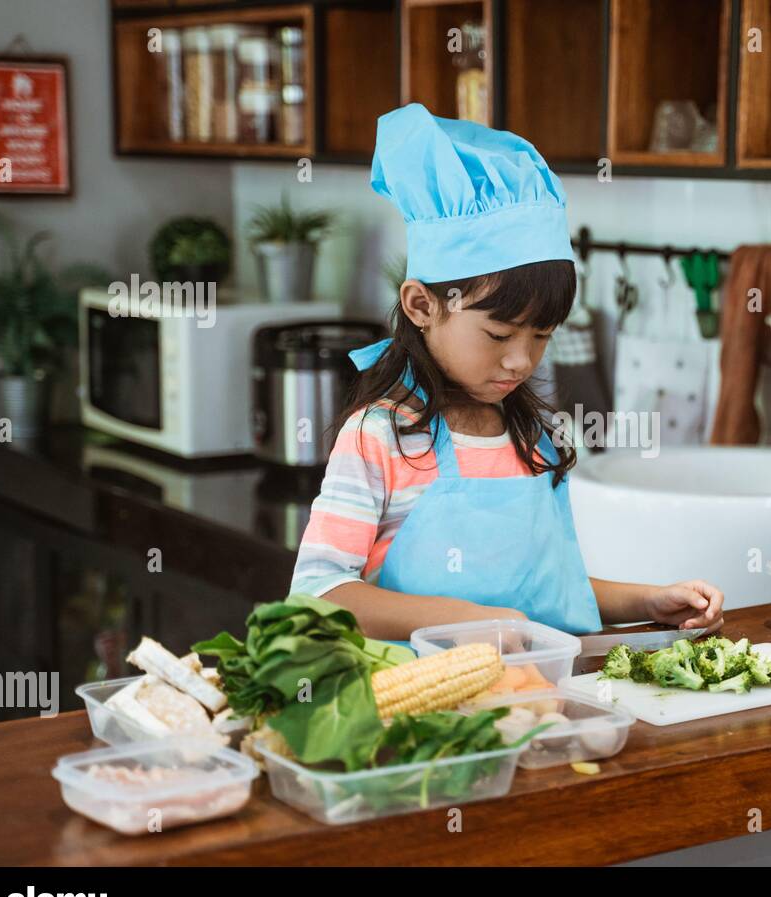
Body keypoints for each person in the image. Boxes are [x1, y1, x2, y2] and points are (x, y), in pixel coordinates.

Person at [290, 103, 724, 645]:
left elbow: (546, 594)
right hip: (420, 711)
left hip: (535, 700)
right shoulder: (380, 436)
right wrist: (463, 620)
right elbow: (318, 594)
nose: (522, 361)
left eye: (542, 336)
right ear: (422, 305)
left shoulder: (531, 436)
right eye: (498, 335)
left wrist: (648, 601)